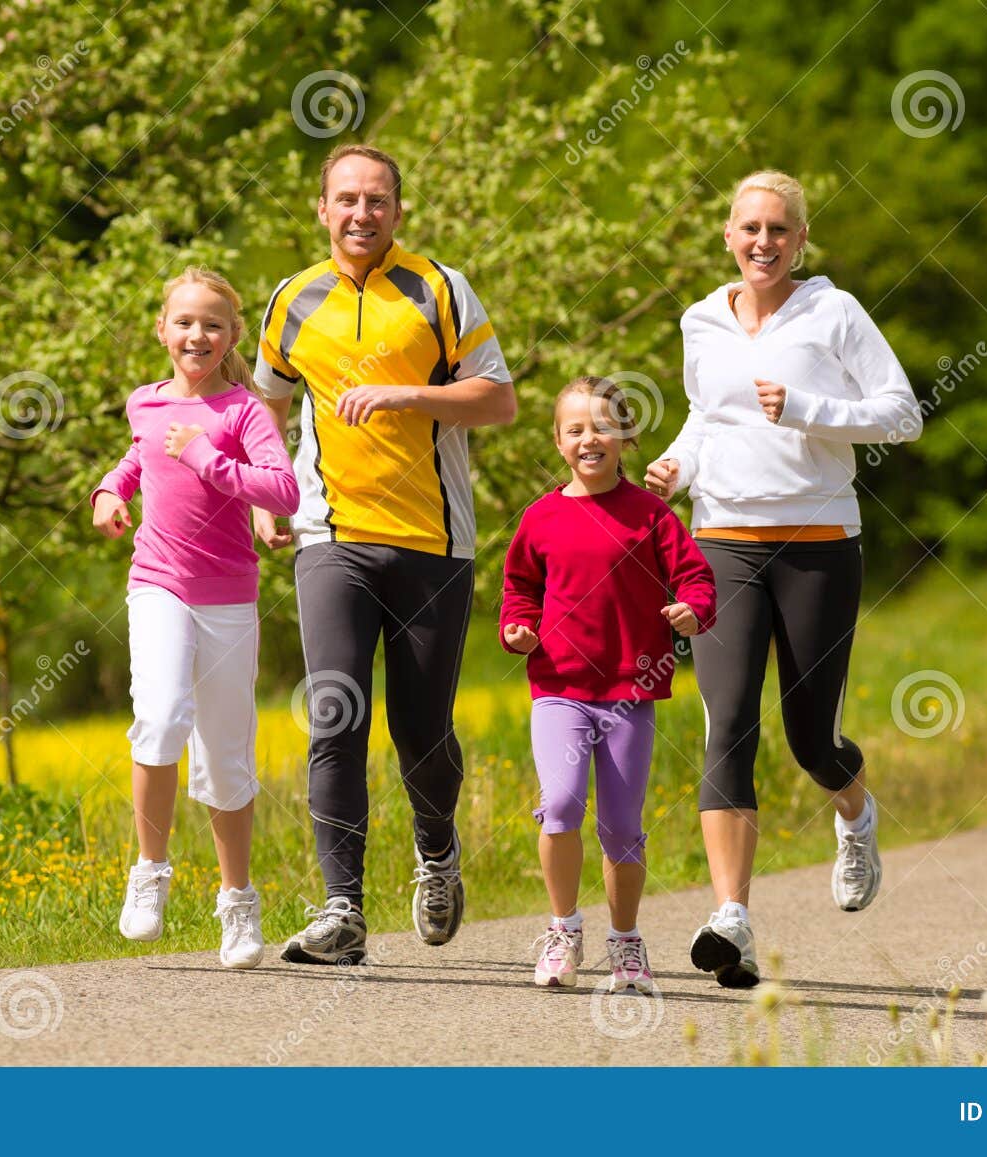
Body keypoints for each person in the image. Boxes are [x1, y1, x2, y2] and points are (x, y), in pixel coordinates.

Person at [645, 170, 923, 988]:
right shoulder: (701, 318)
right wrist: (678, 463)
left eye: (779, 229)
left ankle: (855, 810)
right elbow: (707, 413)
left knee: (811, 737)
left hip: (818, 541)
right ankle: (731, 917)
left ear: (801, 241)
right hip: (722, 539)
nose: (762, 242)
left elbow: (902, 412)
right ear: (728, 235)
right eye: (749, 228)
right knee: (726, 722)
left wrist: (809, 408)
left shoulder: (833, 312)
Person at [250, 144, 516, 965]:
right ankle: (342, 910)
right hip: (333, 536)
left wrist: (408, 395)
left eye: (377, 200)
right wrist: (267, 493)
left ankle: (437, 854)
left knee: (422, 732)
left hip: (434, 541)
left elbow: (498, 400)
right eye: (346, 199)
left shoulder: (439, 288)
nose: (361, 213)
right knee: (334, 717)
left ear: (397, 211)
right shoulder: (292, 299)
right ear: (320, 208)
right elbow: (264, 399)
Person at [90, 267, 300, 968]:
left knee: (224, 753)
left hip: (229, 593)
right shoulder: (143, 404)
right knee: (158, 714)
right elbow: (139, 457)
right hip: (157, 581)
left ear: (232, 335)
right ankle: (150, 870)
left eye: (212, 324)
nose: (197, 335)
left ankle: (237, 899)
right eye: (183, 322)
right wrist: (109, 491)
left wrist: (210, 458)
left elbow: (283, 487)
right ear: (161, 329)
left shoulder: (243, 413)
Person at [501, 376, 715, 991]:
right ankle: (564, 930)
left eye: (601, 427)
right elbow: (518, 590)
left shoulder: (651, 516)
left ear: (626, 438)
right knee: (561, 804)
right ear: (559, 442)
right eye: (575, 429)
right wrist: (517, 627)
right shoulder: (541, 519)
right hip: (559, 688)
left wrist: (692, 610)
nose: (588, 439)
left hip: (629, 692)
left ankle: (626, 943)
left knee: (622, 825)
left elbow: (696, 577)